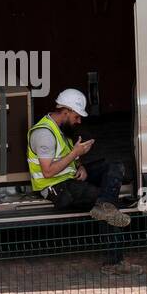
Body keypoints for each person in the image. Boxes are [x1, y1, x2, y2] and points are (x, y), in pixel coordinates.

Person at [27, 88, 130, 228]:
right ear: (66, 112)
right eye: (77, 116)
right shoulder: (44, 134)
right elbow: (48, 172)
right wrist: (75, 153)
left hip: (70, 178)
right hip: (55, 187)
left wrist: (79, 165)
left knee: (113, 166)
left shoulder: (62, 129)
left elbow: (68, 157)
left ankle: (106, 208)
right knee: (103, 199)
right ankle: (107, 210)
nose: (79, 121)